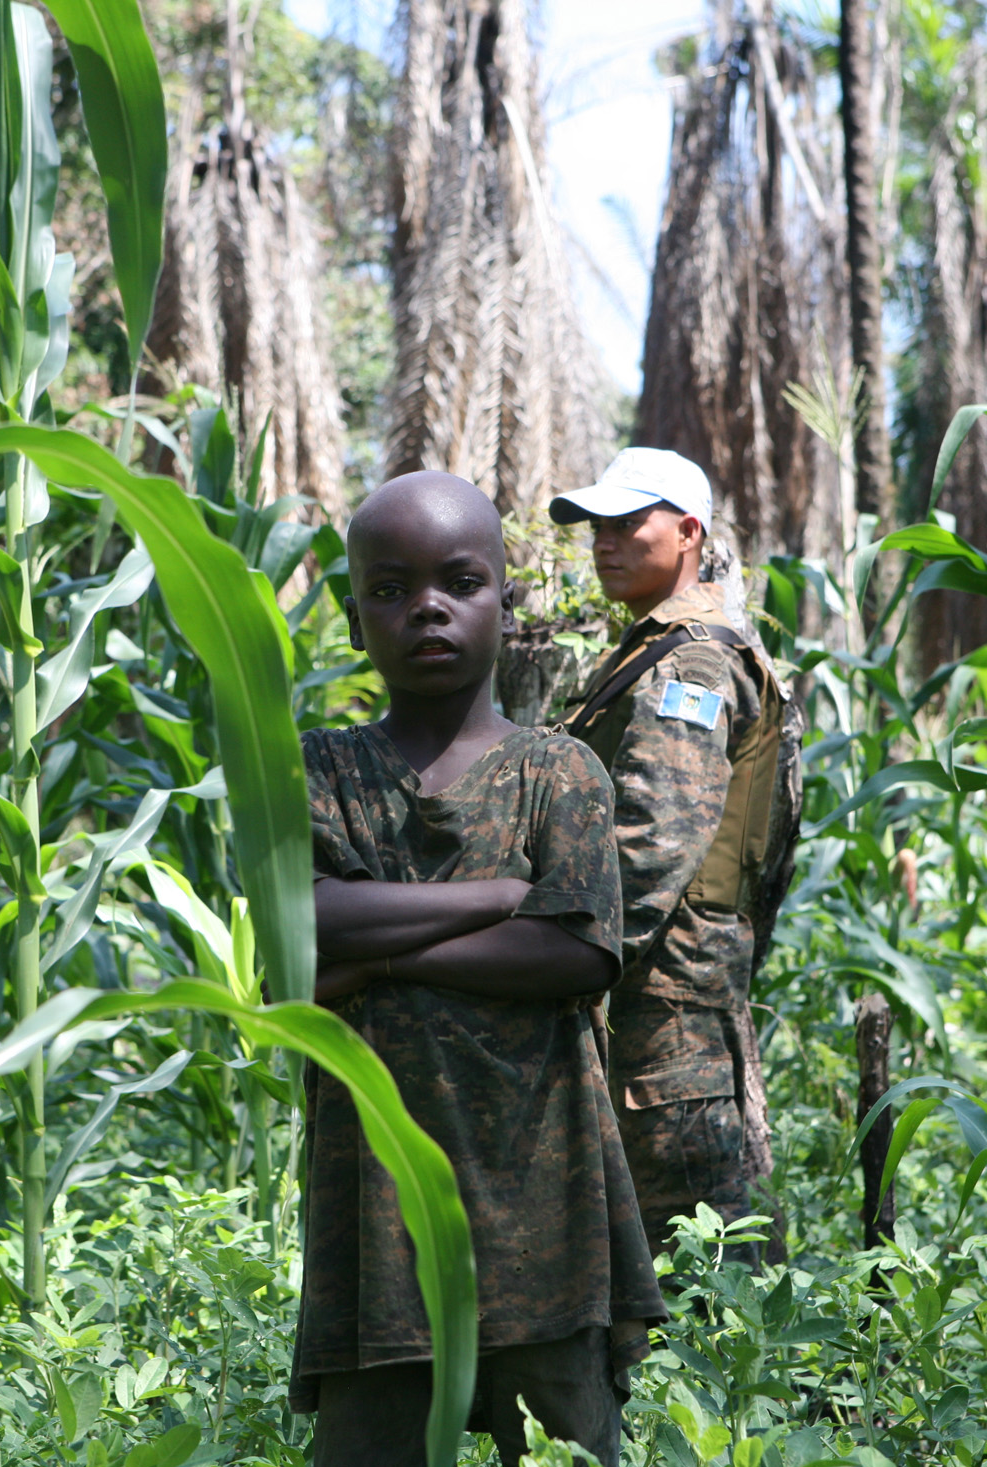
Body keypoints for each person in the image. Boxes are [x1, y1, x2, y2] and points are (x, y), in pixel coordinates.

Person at [293, 471, 666, 1467]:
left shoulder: (559, 772)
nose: (427, 606)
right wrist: (500, 897)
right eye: (391, 587)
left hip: (538, 1213)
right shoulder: (319, 770)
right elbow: (301, 927)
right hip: (372, 1218)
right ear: (354, 608)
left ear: (505, 598)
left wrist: (369, 958)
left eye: (460, 580)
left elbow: (576, 953)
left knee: (560, 1444)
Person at [547, 447, 795, 1264]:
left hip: (665, 1003)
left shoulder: (690, 661)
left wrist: (558, 964)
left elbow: (652, 844)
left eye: (626, 524)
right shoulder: (654, 649)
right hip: (661, 994)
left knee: (704, 1259)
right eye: (596, 528)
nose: (603, 542)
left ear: (688, 531)